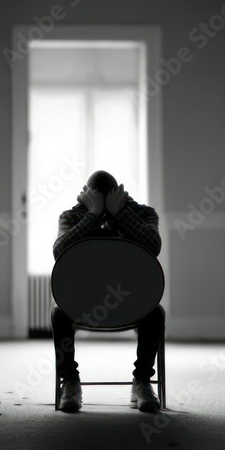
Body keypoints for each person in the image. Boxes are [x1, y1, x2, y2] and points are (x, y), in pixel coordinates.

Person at [51, 170, 164, 413]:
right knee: (59, 314)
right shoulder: (72, 216)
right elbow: (59, 251)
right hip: (84, 301)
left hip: (130, 301)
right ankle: (70, 382)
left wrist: (120, 213)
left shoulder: (143, 213)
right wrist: (92, 216)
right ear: (88, 199)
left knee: (156, 314)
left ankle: (142, 381)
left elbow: (154, 246)